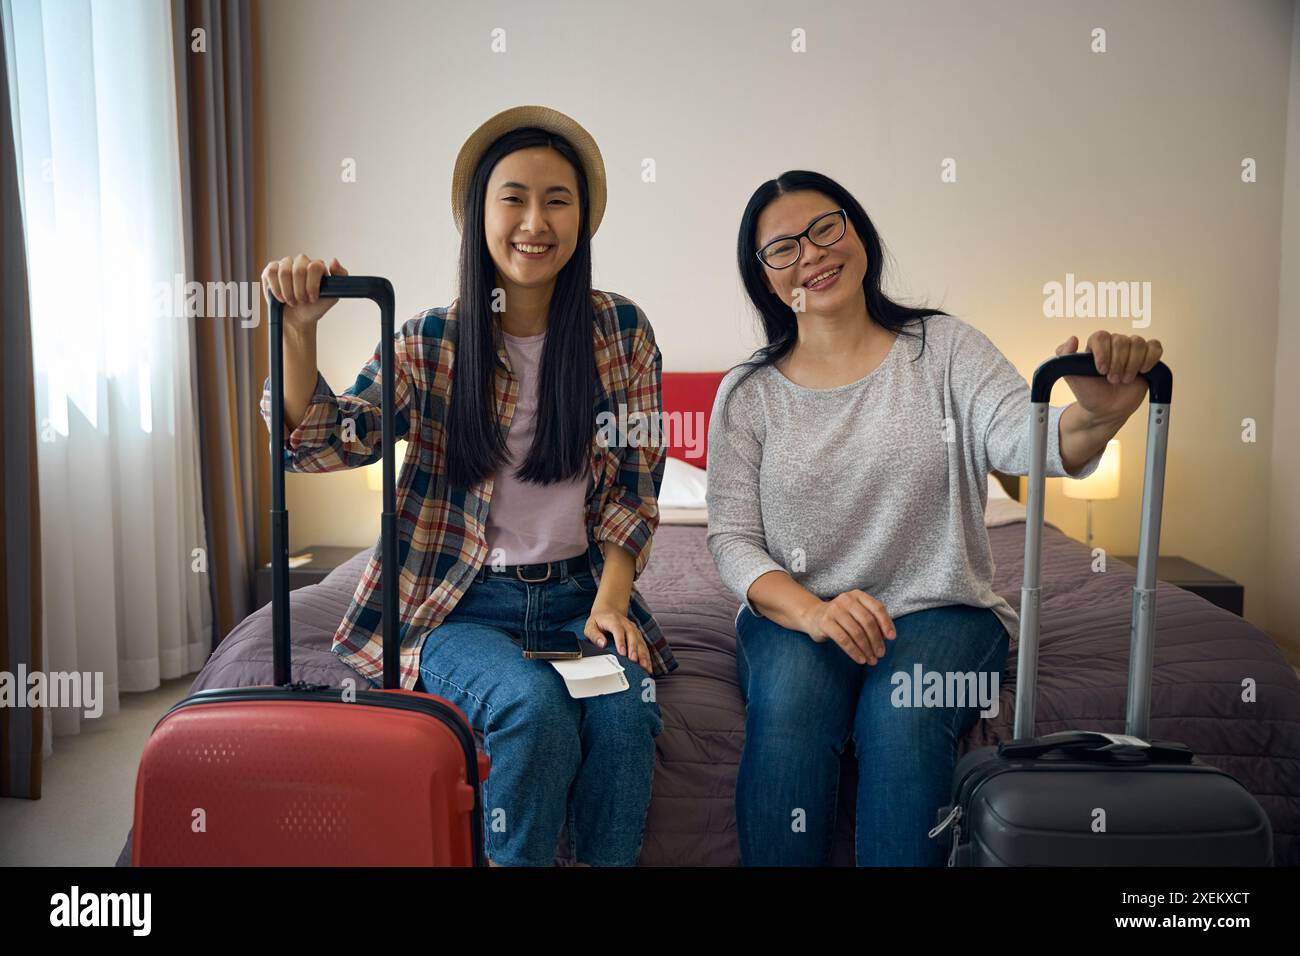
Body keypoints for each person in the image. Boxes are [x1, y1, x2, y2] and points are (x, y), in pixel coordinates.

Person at [707, 169, 1164, 865]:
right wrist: (813, 613)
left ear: (857, 232)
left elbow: (1029, 438)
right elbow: (734, 542)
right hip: (798, 613)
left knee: (903, 715)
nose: (812, 253)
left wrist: (1098, 414)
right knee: (792, 712)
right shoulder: (748, 395)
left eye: (826, 227)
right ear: (764, 276)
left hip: (943, 610)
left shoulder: (944, 350)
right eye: (783, 248)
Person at [258, 105, 676, 867]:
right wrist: (298, 332)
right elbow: (324, 442)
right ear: (480, 213)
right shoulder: (429, 341)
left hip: (582, 597)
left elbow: (637, 488)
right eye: (513, 197)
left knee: (625, 716)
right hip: (457, 604)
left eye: (558, 200)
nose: (534, 221)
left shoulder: (620, 332)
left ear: (582, 220)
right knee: (533, 706)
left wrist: (612, 602)